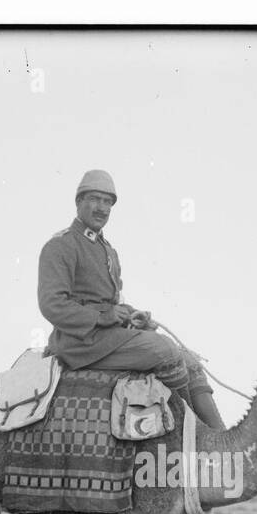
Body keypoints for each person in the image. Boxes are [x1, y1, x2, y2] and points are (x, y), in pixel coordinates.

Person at [37, 169, 225, 429]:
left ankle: (220, 437)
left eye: (107, 202)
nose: (101, 208)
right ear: (78, 202)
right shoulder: (61, 245)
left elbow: (109, 302)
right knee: (167, 352)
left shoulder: (108, 250)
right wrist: (104, 317)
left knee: (188, 360)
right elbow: (52, 304)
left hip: (105, 338)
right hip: (79, 343)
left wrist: (129, 313)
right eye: (94, 199)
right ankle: (198, 434)